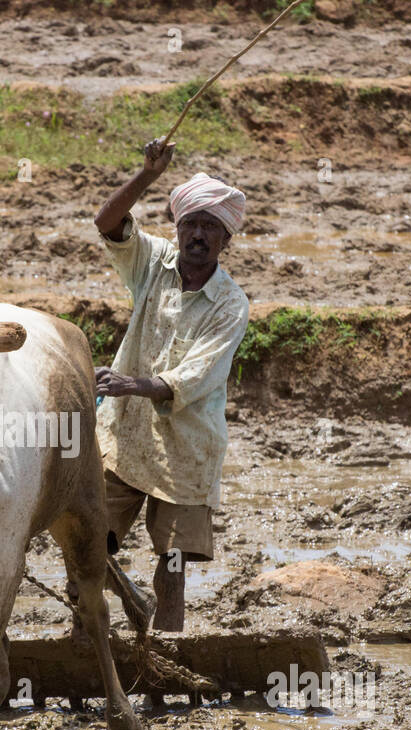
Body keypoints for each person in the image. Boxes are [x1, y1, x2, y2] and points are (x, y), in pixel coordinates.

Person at [91, 138, 250, 631]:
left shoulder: (230, 305)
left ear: (226, 239)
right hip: (124, 436)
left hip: (187, 449)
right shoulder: (152, 263)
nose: (198, 235)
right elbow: (106, 223)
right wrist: (147, 176)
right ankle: (88, 638)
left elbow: (194, 377)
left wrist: (130, 384)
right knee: (91, 547)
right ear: (177, 228)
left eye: (210, 227)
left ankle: (166, 649)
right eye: (191, 224)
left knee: (173, 566)